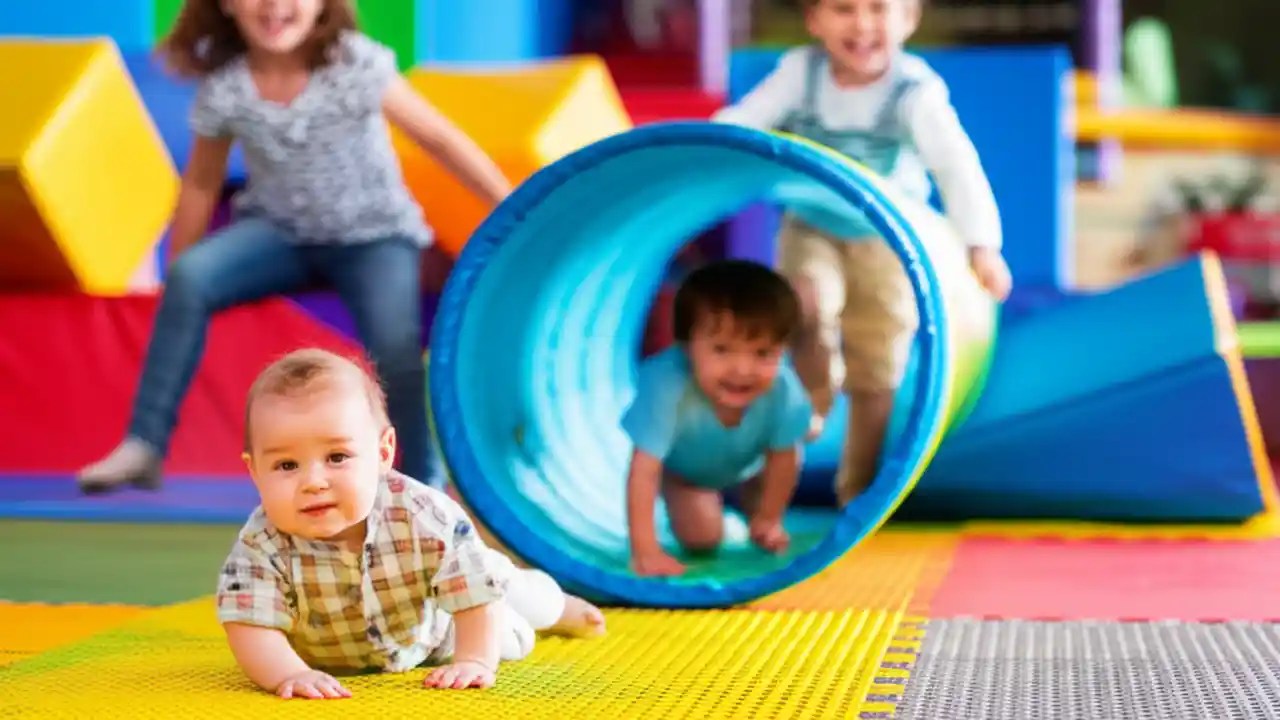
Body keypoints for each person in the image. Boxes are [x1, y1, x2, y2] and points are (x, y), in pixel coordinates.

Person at [75, 0, 512, 494]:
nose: (274, 6)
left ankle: (423, 474)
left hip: (373, 235)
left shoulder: (353, 61)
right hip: (280, 235)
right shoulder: (228, 86)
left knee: (395, 348)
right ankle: (144, 444)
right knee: (193, 276)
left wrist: (509, 203)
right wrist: (179, 269)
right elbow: (200, 183)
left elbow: (439, 138)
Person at [712, 0, 1013, 506]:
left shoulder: (914, 92)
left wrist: (982, 245)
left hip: (887, 241)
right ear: (814, 20)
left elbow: (954, 164)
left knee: (877, 368)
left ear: (909, 20)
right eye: (844, 9)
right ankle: (813, 391)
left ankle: (858, 486)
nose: (862, 24)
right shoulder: (799, 73)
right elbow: (746, 122)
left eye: (879, 9)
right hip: (813, 224)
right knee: (802, 301)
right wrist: (704, 145)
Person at [218, 348, 605, 697]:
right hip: (361, 647)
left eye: (337, 457)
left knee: (505, 606)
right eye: (287, 465)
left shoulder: (423, 514)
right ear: (255, 472)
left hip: (439, 630)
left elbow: (475, 594)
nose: (314, 481)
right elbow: (249, 625)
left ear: (383, 452)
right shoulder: (260, 545)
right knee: (495, 597)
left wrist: (473, 660)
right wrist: (290, 674)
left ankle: (560, 608)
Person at [622, 260, 813, 577]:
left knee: (788, 446)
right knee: (703, 539)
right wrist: (646, 551)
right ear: (686, 347)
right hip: (688, 474)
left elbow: (784, 457)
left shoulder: (783, 387)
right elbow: (643, 470)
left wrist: (770, 517)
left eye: (763, 353)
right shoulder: (665, 384)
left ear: (783, 350)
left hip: (754, 465)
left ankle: (754, 508)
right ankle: (720, 514)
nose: (742, 369)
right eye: (722, 350)